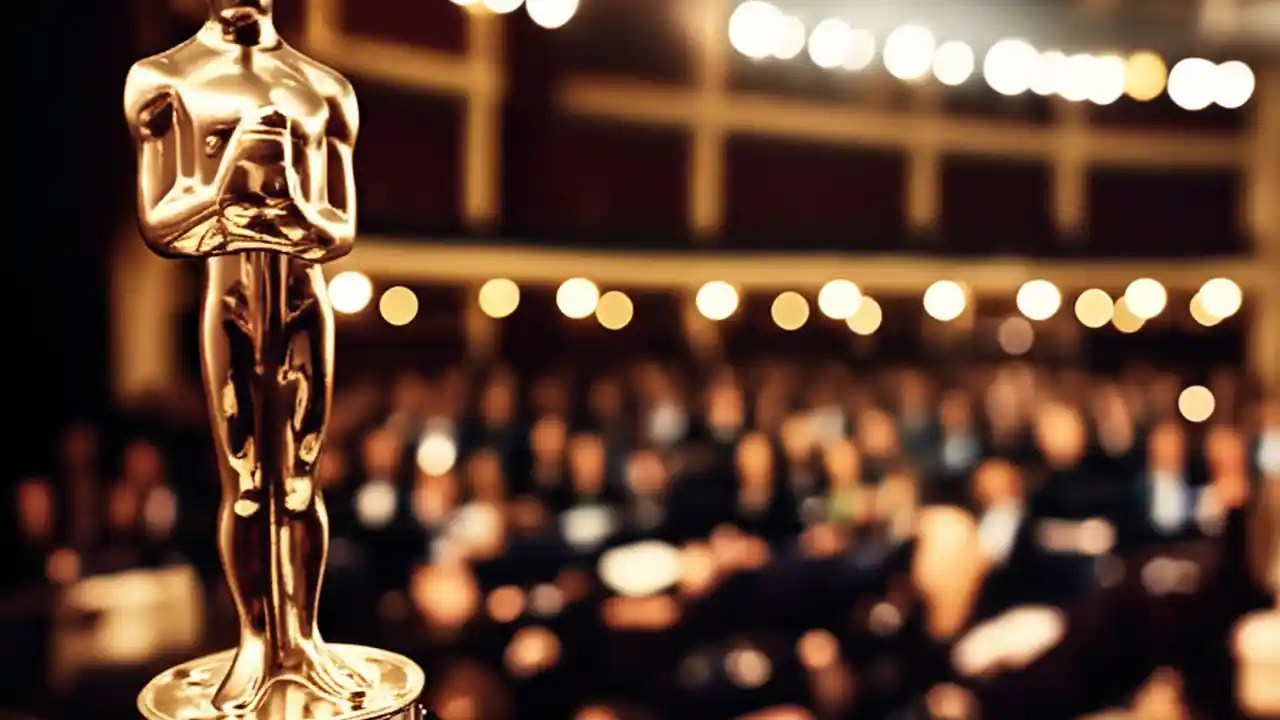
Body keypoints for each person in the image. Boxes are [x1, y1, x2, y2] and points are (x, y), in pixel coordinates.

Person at [123, 0, 364, 710]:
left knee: (301, 483)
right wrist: (233, 173)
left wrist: (282, 197)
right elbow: (161, 225)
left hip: (301, 300)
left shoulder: (324, 89)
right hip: (228, 300)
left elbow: (338, 229)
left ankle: (305, 638)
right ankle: (258, 641)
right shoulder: (165, 79)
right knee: (247, 480)